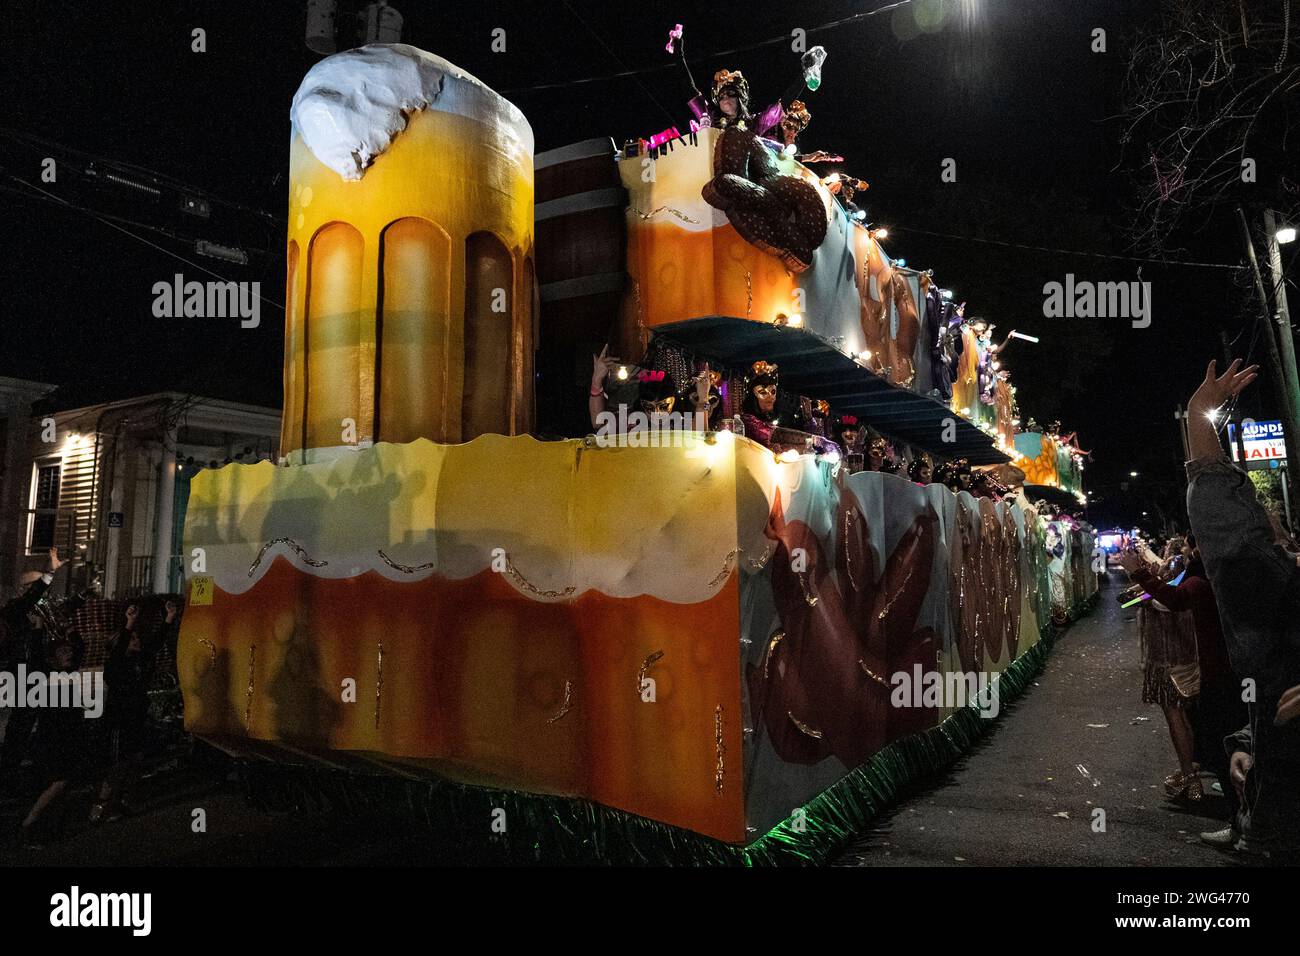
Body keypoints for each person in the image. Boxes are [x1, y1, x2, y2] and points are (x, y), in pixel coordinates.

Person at [1182, 358, 1300, 862]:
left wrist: (1198, 422)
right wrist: (1245, 744)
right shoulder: (1273, 589)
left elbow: (1228, 532)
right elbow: (1229, 532)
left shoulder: (1261, 583)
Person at [1120, 536, 1245, 819]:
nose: (1179, 553)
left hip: (1179, 654)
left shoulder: (1197, 579)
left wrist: (1140, 575)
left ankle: (1193, 778)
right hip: (1188, 654)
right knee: (1192, 718)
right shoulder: (1196, 574)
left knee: (1179, 714)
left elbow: (1173, 600)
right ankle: (1194, 773)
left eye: (1184, 548)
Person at [701, 69, 828, 273]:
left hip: (760, 182)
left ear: (740, 97)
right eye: (721, 95)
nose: (725, 99)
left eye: (730, 94)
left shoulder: (755, 123)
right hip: (729, 187)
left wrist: (804, 74)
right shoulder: (709, 120)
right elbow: (689, 92)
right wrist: (679, 50)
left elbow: (781, 105)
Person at [0, 548, 65, 790]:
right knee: (21, 725)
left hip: (26, 675)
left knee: (24, 723)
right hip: (21, 675)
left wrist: (49, 574)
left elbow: (33, 595)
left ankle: (14, 771)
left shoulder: (14, 614)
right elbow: (32, 594)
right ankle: (11, 773)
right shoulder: (13, 614)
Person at [90, 603, 155, 824]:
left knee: (134, 760)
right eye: (133, 640)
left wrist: (169, 619)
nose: (138, 641)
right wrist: (129, 623)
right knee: (118, 763)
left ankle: (120, 801)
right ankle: (100, 806)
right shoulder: (115, 664)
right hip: (119, 720)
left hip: (136, 718)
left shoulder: (136, 663)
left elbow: (154, 646)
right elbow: (118, 651)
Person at [739, 361, 782, 448]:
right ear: (753, 397)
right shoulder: (748, 421)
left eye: (773, 392)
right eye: (762, 392)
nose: (770, 397)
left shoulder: (768, 420)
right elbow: (774, 437)